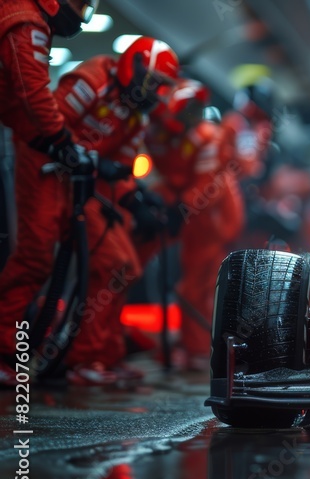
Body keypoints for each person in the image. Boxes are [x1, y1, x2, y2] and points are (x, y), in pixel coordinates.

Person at [3, 37, 179, 385]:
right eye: (156, 83)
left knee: (122, 264)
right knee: (35, 258)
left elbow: (122, 169)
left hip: (84, 182)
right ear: (138, 67)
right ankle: (7, 353)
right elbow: (47, 129)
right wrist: (95, 162)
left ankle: (99, 356)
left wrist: (136, 199)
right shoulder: (92, 80)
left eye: (163, 88)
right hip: (44, 167)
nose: (158, 94)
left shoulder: (135, 118)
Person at [0, 0, 99, 384]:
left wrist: (58, 143)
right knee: (35, 256)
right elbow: (33, 91)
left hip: (27, 143)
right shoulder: (26, 20)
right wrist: (61, 140)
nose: (80, 9)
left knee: (38, 256)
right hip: (31, 146)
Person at [144, 79, 245, 370]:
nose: (193, 116)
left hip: (212, 216)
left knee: (198, 288)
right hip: (191, 207)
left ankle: (199, 350)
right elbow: (170, 178)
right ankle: (194, 348)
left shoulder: (207, 137)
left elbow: (205, 187)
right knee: (193, 285)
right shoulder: (155, 135)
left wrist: (179, 207)